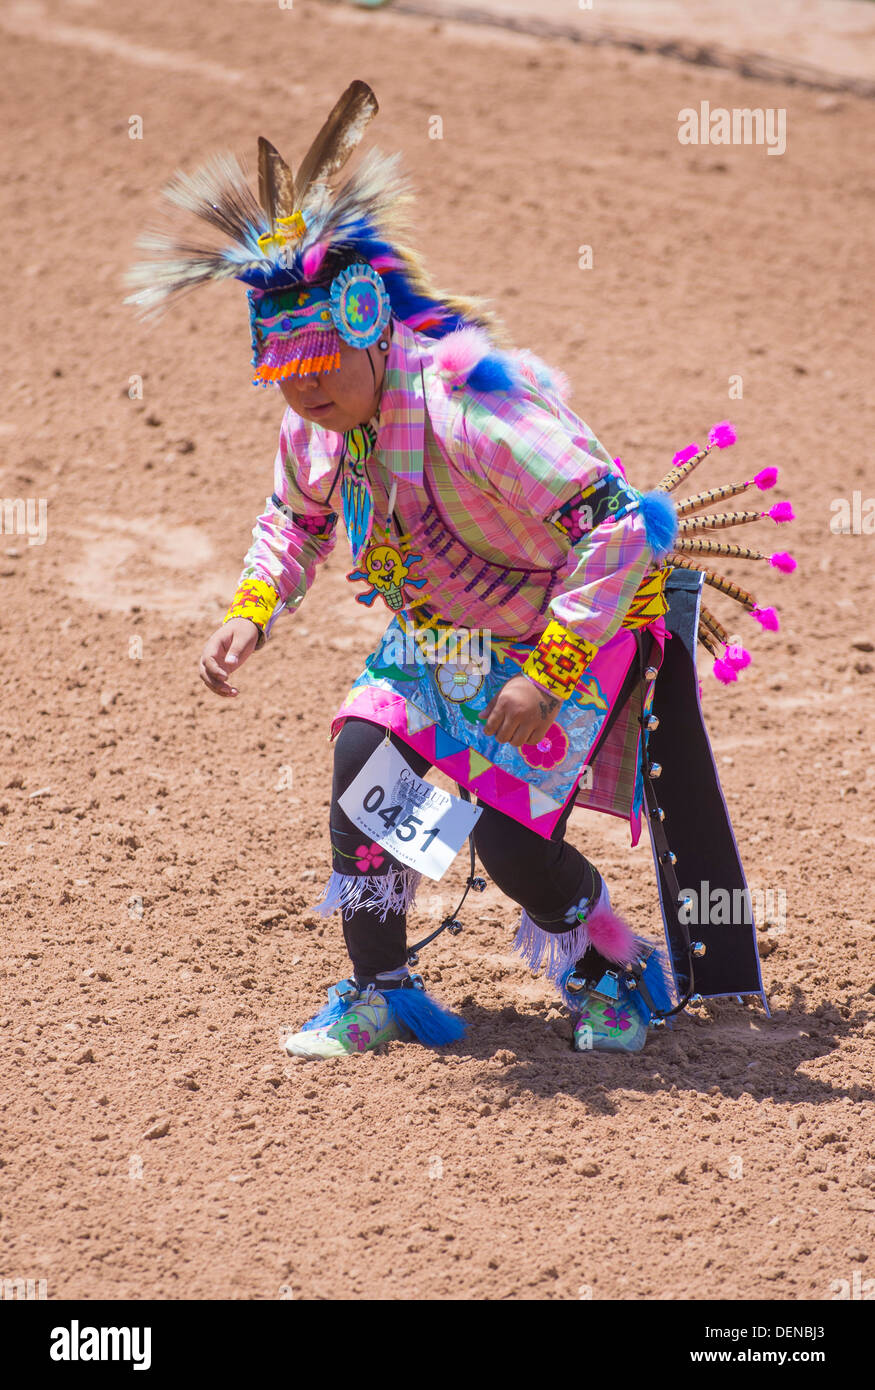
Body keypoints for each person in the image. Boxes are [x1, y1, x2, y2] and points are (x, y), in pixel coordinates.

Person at [127, 82, 793, 1060]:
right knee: (370, 773)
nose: (303, 389)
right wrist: (252, 610)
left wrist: (546, 669)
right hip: (442, 628)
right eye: (284, 370)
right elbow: (294, 518)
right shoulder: (313, 427)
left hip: (573, 622)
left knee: (508, 837)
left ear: (366, 319)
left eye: (318, 362)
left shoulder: (471, 407)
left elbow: (617, 524)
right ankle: (378, 987)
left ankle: (616, 968)